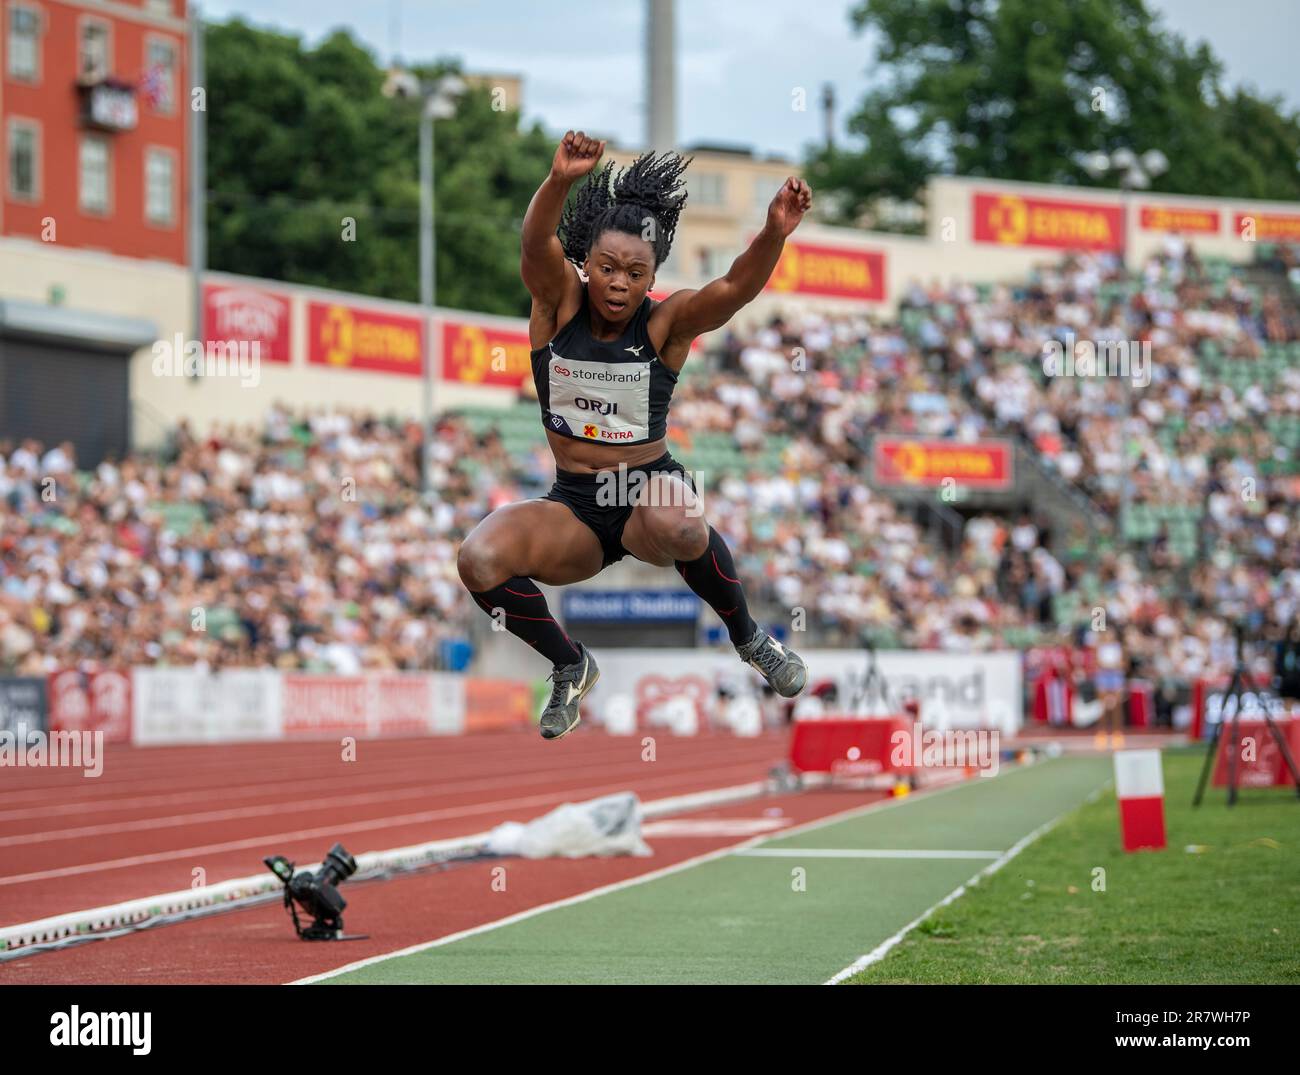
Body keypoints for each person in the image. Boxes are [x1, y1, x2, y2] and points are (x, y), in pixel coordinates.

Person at [456, 130, 812, 739]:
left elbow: (732, 290)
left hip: (646, 489)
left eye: (635, 272)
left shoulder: (666, 323)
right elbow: (535, 240)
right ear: (586, 264)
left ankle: (750, 638)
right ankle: (570, 665)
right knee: (478, 558)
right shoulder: (556, 305)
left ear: (653, 276)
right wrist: (560, 181)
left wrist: (773, 234)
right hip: (575, 504)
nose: (619, 284)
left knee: (681, 519)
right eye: (607, 268)